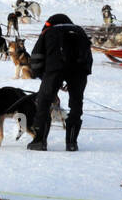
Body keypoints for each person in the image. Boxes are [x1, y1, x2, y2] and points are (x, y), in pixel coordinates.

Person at [27, 13, 92, 152]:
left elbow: (36, 58)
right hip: (78, 71)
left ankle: (40, 141)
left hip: (54, 69)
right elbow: (88, 57)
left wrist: (43, 76)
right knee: (76, 104)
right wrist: (82, 74)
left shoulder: (48, 32)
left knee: (43, 102)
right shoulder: (80, 31)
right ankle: (72, 143)